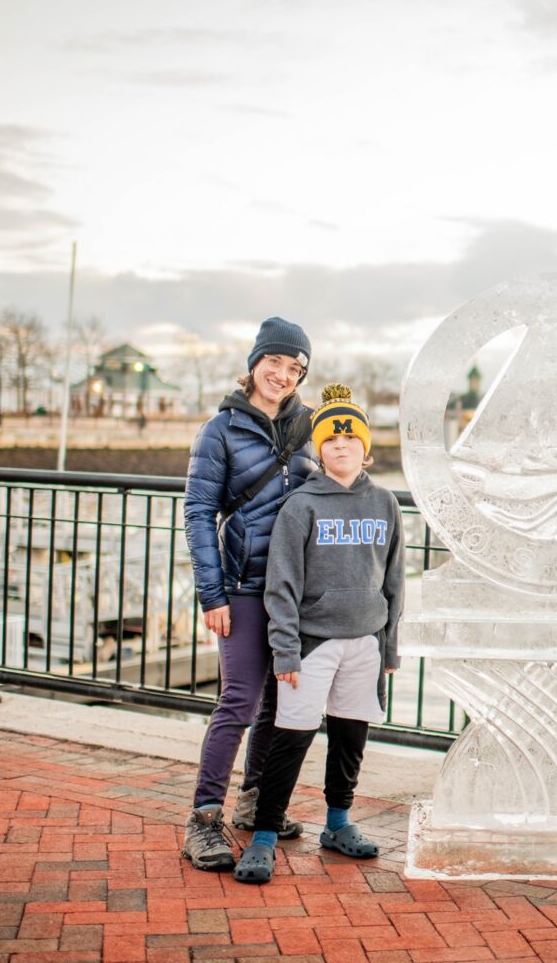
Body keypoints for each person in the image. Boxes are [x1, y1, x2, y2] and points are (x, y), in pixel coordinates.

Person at [233, 384, 404, 884]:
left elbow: (395, 582)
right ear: (319, 447)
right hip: (311, 644)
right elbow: (281, 587)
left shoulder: (386, 503)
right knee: (291, 740)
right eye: (330, 438)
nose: (340, 445)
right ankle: (265, 835)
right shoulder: (301, 506)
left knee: (350, 739)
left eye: (350, 438)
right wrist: (285, 650)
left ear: (364, 446)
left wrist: (390, 646)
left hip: (366, 641)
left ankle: (338, 823)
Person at [180, 318, 318, 871]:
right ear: (255, 363)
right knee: (238, 701)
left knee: (279, 704)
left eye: (295, 368)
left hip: (292, 592)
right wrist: (211, 594)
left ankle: (255, 802)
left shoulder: (308, 429)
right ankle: (202, 819)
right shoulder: (220, 430)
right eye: (275, 362)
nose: (283, 375)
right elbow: (198, 513)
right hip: (239, 587)